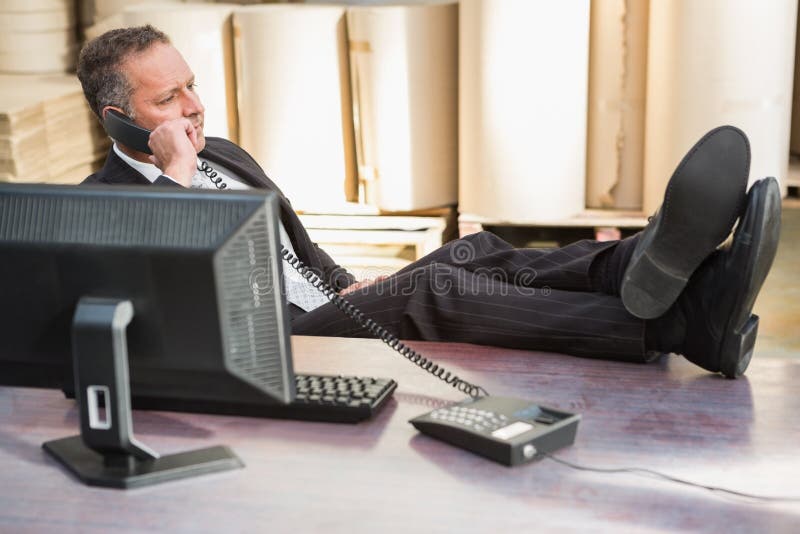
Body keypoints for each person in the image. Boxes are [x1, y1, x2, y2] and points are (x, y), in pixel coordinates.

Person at [77, 26, 781, 378]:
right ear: (116, 117)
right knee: (433, 287)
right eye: (167, 98)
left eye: (191, 85)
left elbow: (297, 249)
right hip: (268, 350)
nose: (195, 107)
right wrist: (175, 180)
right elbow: (175, 306)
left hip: (322, 308)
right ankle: (677, 323)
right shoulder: (104, 208)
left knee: (469, 250)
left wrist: (350, 284)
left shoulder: (223, 152)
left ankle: (646, 269)